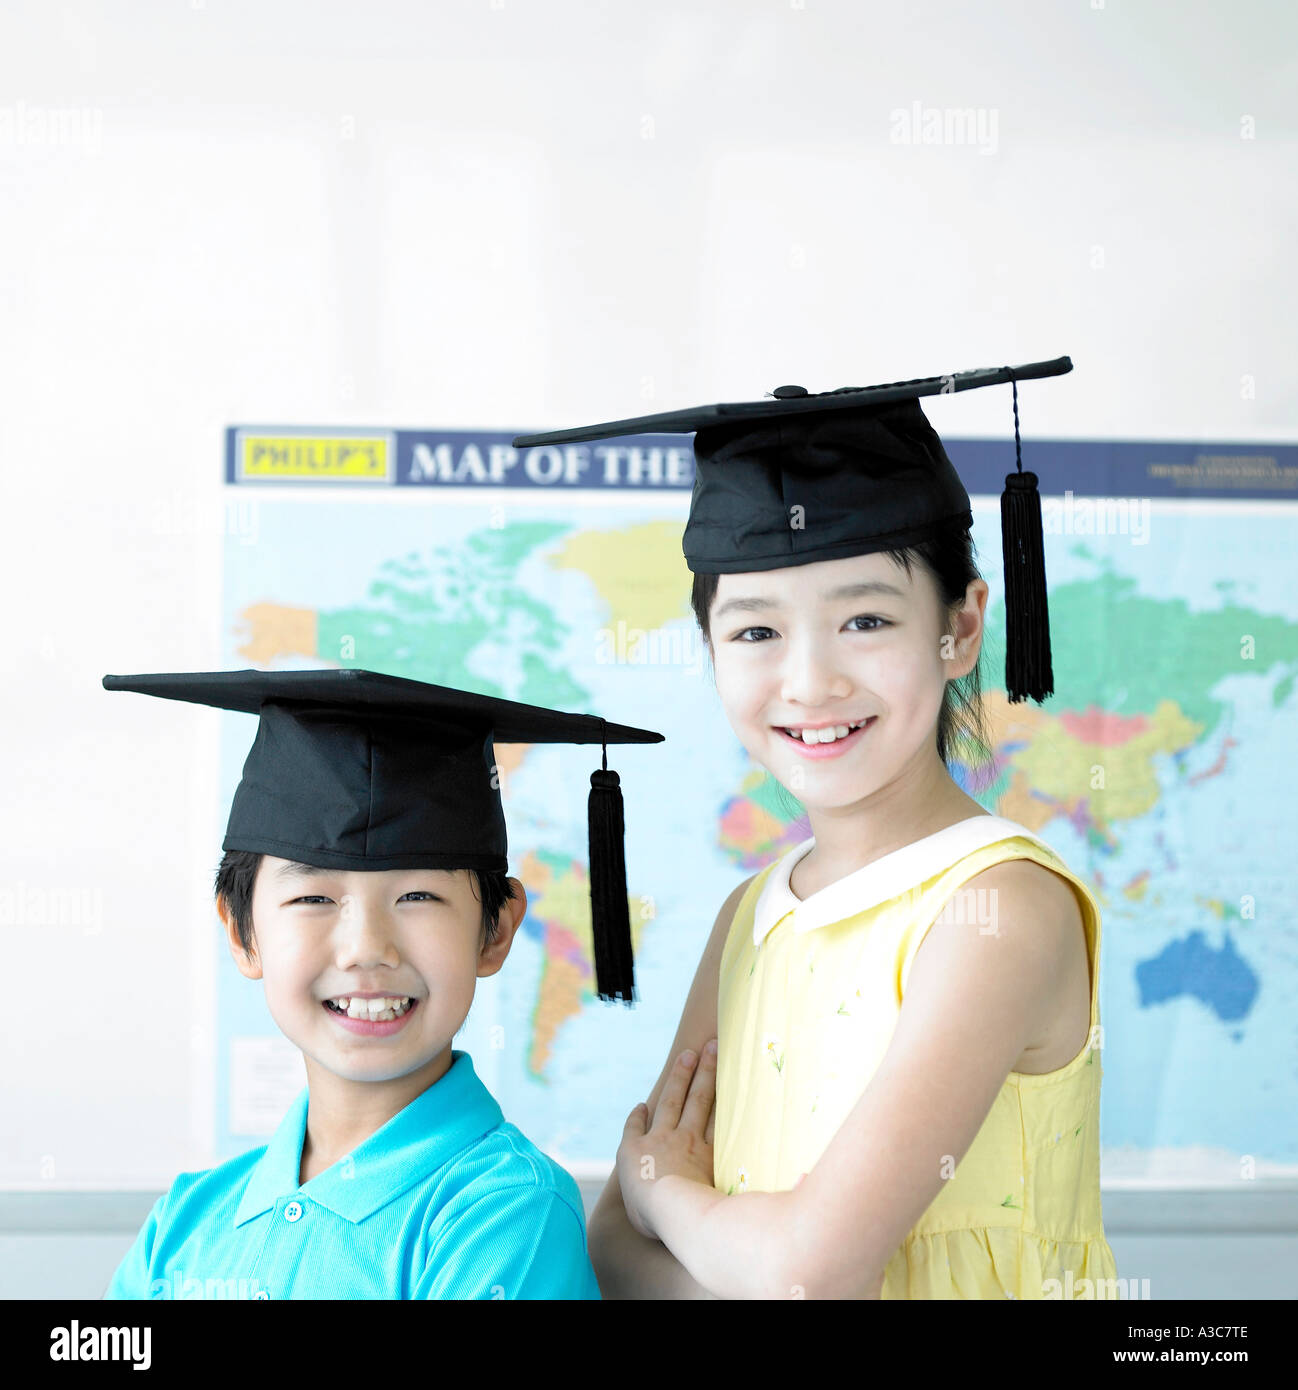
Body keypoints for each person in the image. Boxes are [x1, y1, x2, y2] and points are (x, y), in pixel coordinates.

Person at [513, 358, 1121, 1299]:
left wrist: (663, 1191)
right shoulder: (750, 916)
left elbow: (808, 1275)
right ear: (711, 649)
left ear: (960, 628)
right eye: (757, 632)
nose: (810, 682)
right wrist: (711, 1238)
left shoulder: (997, 910)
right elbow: (615, 1262)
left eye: (866, 620)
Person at [99, 667, 661, 1299]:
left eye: (417, 895)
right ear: (240, 932)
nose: (367, 948)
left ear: (497, 929)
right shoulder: (185, 1224)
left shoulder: (502, 1216)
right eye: (313, 897)